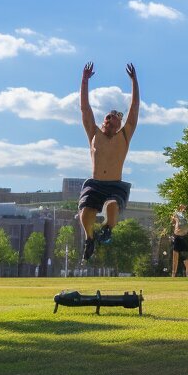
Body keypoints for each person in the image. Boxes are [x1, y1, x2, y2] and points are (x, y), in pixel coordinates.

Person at [77, 62, 140, 261]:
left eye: (113, 119)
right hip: (95, 184)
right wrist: (85, 80)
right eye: (107, 118)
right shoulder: (94, 133)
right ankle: (89, 239)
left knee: (112, 206)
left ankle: (107, 229)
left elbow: (134, 110)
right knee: (85, 212)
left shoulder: (124, 136)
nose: (108, 121)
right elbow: (85, 109)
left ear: (118, 124)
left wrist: (134, 82)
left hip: (115, 185)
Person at [170, 203, 188, 277]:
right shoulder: (176, 214)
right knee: (175, 255)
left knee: (185, 257)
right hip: (177, 236)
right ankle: (173, 274)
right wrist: (175, 220)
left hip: (184, 236)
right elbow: (172, 221)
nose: (183, 206)